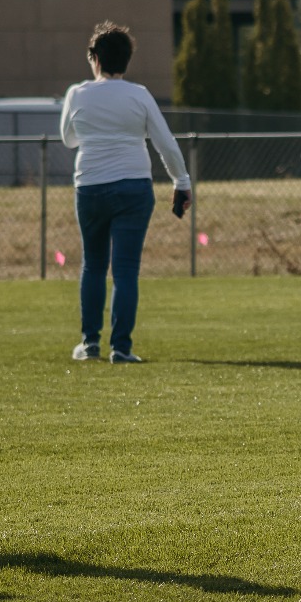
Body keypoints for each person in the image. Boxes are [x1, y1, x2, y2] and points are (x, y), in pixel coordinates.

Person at [59, 21, 191, 364]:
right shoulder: (139, 94)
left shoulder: (77, 94)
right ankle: (121, 347)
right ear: (127, 60)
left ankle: (89, 344)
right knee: (126, 269)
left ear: (95, 58)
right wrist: (182, 181)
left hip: (89, 185)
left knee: (93, 265)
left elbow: (68, 139)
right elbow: (166, 144)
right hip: (133, 185)